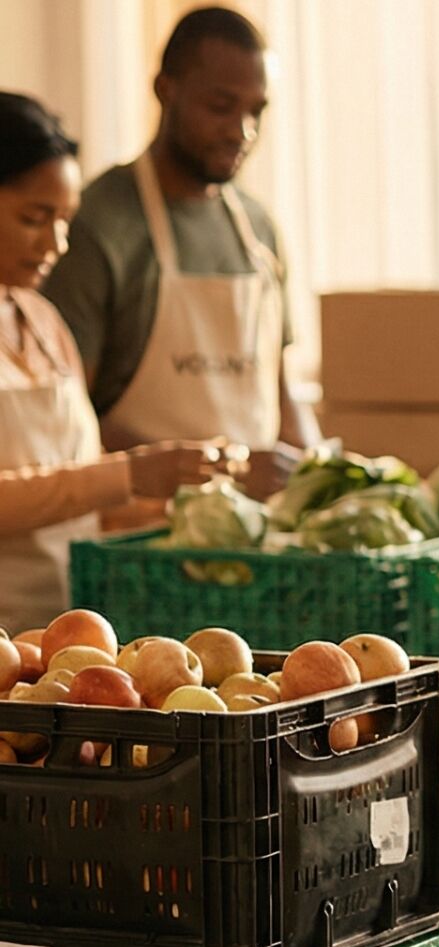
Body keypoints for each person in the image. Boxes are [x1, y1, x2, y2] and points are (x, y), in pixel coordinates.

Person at [40, 6, 315, 505]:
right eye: (221, 106)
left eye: (256, 112)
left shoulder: (258, 230)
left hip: (258, 530)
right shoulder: (98, 225)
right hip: (141, 528)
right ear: (165, 89)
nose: (242, 131)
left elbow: (280, 393)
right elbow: (66, 422)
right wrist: (224, 475)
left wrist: (322, 476)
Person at [0, 92, 226, 631]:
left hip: (63, 637)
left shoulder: (43, 323)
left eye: (65, 221)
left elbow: (78, 501)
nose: (57, 243)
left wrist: (184, 498)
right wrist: (129, 473)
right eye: (35, 218)